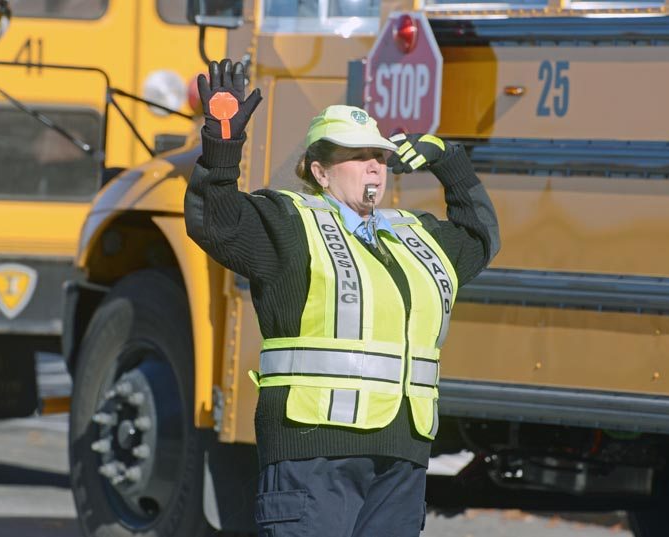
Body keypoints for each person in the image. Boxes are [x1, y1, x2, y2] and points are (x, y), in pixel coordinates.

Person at [184, 58, 500, 537]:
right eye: (356, 156)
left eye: (380, 155)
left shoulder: (414, 234)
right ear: (321, 171)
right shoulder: (290, 224)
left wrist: (450, 163)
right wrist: (222, 146)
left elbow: (480, 238)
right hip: (313, 456)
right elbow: (218, 221)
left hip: (401, 456)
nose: (374, 164)